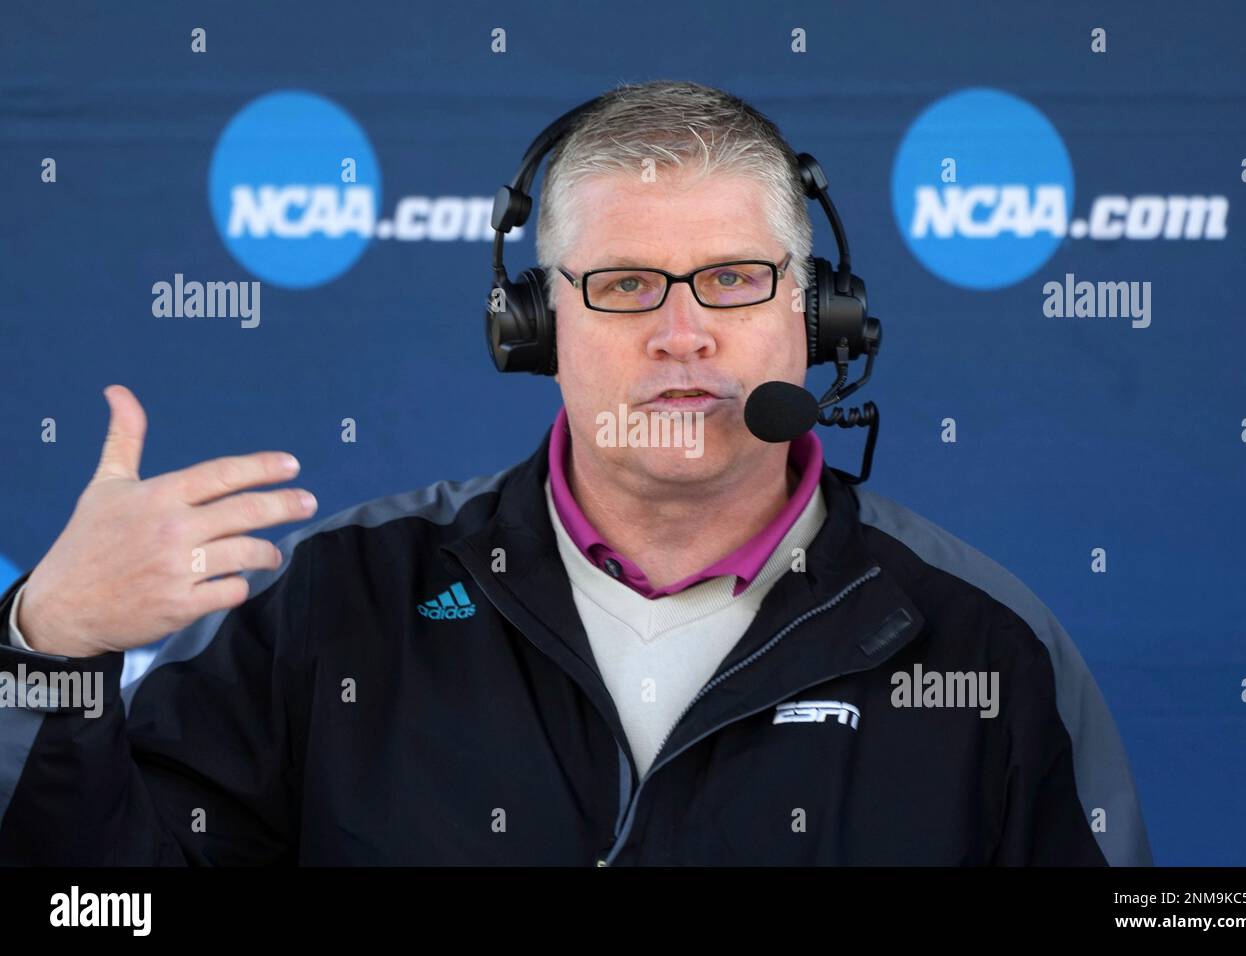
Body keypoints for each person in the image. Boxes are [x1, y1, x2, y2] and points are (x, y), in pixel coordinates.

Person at [0, 80, 1151, 865]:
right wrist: (44, 647)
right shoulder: (333, 609)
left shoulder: (985, 644)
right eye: (625, 284)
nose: (683, 332)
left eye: (735, 277)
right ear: (535, 325)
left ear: (819, 314)